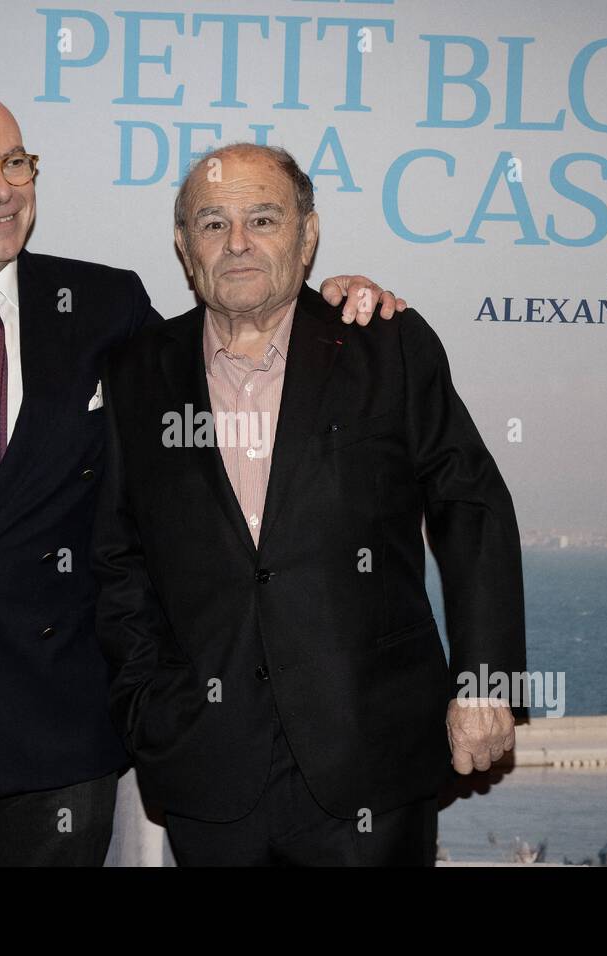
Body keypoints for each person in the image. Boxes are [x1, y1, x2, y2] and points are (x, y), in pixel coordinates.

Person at [0, 84, 403, 866]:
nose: (1, 189)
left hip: (64, 728)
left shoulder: (105, 304)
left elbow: (232, 342)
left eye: (14, 162)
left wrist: (329, 307)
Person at [93, 143, 526, 866]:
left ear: (308, 234)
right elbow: (116, 557)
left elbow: (470, 505)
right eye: (211, 223)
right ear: (183, 246)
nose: (237, 243)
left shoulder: (385, 344)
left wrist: (485, 683)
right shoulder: (136, 374)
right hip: (207, 764)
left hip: (373, 757)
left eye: (263, 218)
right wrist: (150, 709)